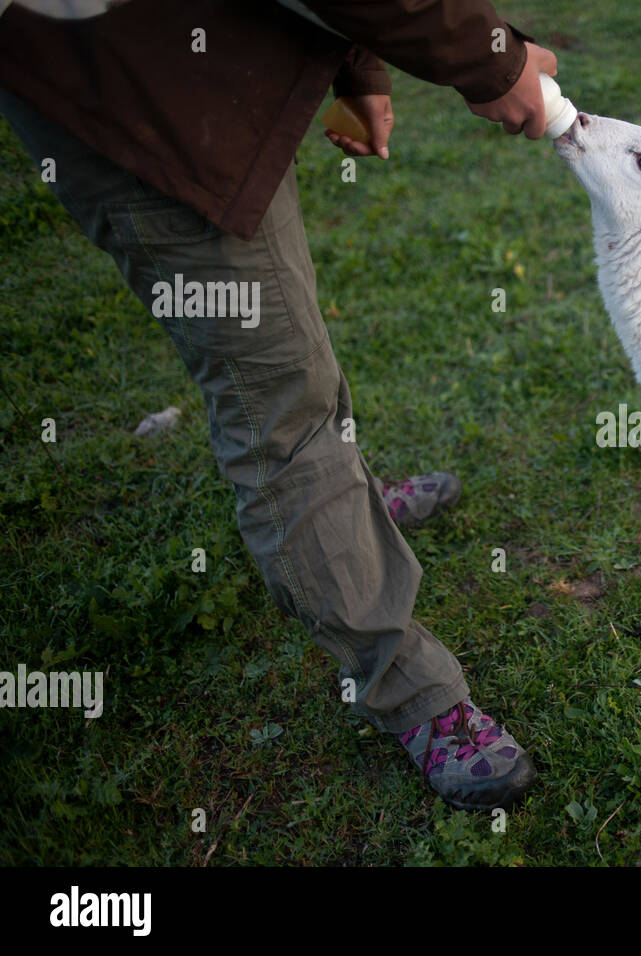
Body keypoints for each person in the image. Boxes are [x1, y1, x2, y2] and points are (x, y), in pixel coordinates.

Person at [0, 0, 560, 811]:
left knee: (289, 345)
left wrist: (357, 64)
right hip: (137, 95)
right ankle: (409, 689)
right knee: (278, 410)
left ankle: (346, 523)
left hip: (191, 73)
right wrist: (493, 60)